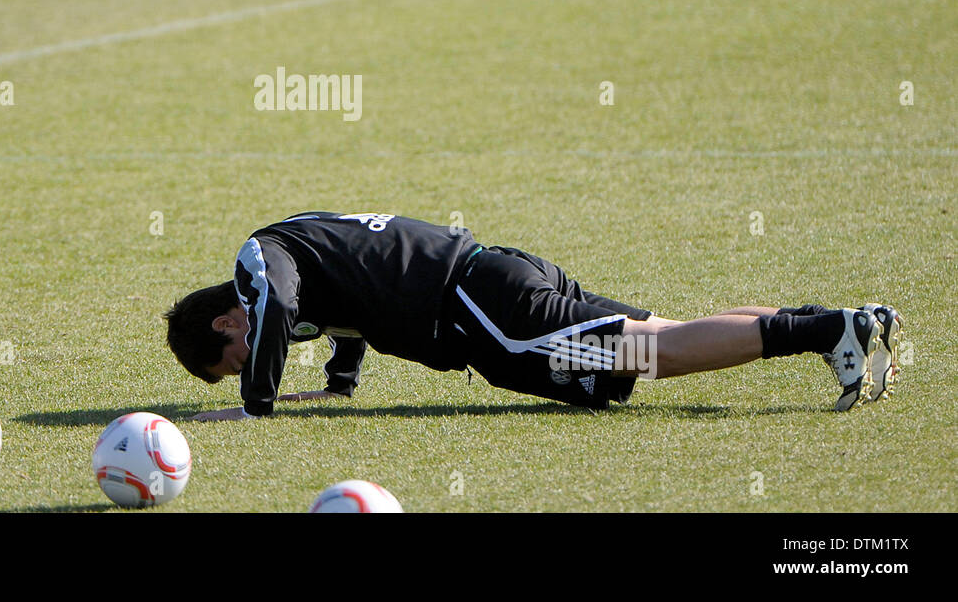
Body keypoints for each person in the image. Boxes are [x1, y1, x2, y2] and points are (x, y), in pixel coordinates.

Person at [165, 211, 903, 420]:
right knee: (667, 333)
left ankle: (827, 330)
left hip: (487, 310)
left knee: (660, 351)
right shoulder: (296, 259)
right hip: (498, 276)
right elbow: (343, 308)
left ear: (227, 324)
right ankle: (836, 321)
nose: (246, 363)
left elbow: (285, 304)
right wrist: (338, 384)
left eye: (228, 362)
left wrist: (255, 404)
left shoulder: (259, 260)